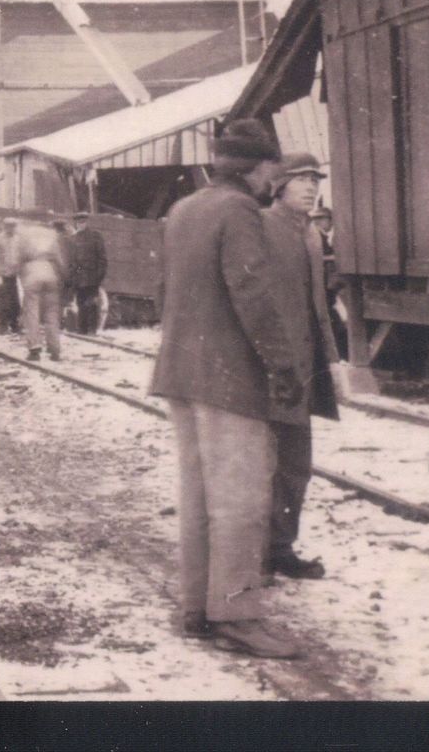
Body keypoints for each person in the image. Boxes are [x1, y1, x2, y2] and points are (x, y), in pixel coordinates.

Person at [150, 118, 303, 659]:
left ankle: (198, 607)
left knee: (198, 494)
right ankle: (237, 615)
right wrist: (282, 365)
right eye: (271, 172)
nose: (272, 182)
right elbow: (252, 292)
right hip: (229, 377)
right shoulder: (239, 211)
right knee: (240, 498)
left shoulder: (184, 208)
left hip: (180, 373)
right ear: (257, 169)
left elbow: (165, 289)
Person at [260, 154, 342, 580]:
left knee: (295, 465)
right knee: (263, 464)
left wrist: (331, 359)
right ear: (278, 186)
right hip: (271, 366)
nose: (310, 187)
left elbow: (319, 308)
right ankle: (254, 551)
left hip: (303, 369)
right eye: (300, 180)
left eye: (314, 180)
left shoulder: (311, 233)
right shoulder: (262, 227)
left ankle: (279, 547)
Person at [16, 220, 68, 362]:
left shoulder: (25, 234)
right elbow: (59, 260)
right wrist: (63, 276)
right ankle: (55, 349)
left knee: (32, 312)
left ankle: (35, 349)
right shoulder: (51, 235)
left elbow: (19, 258)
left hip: (32, 273)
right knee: (52, 312)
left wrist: (19, 273)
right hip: (50, 273)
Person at [309, 206, 348, 360]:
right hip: (323, 284)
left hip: (326, 284)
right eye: (315, 219)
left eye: (324, 219)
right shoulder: (317, 236)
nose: (330, 223)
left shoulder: (322, 236)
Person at [67, 211, 109, 334]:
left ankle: (92, 330)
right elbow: (72, 260)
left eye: (83, 222)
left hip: (92, 276)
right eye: (79, 222)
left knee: (91, 303)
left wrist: (99, 276)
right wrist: (73, 275)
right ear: (75, 223)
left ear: (87, 222)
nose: (81, 224)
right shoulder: (73, 239)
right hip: (79, 276)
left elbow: (102, 258)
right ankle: (82, 330)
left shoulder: (96, 236)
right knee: (81, 303)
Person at [0, 218, 22, 334]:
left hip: (14, 275)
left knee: (15, 301)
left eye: (13, 226)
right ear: (4, 226)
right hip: (2, 275)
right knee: (3, 302)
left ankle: (14, 324)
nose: (10, 228)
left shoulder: (18, 238)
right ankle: (3, 326)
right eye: (8, 226)